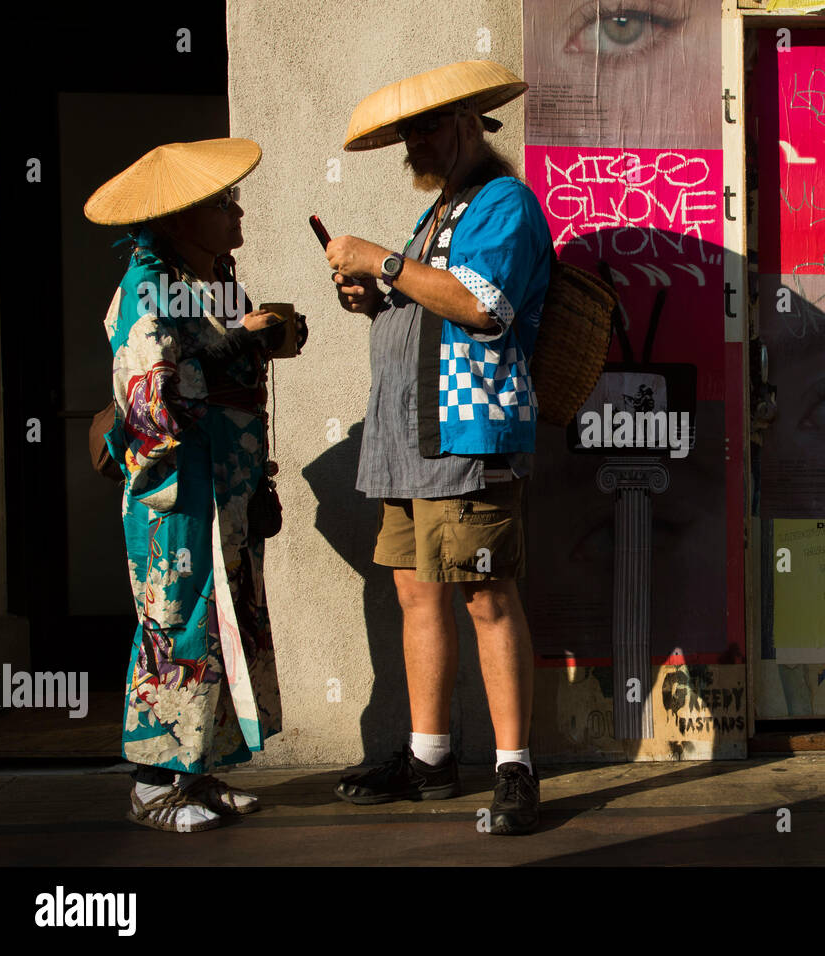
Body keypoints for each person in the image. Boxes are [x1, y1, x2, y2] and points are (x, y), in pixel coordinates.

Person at [327, 61, 552, 835]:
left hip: (465, 434)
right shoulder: (443, 212)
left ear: (467, 124)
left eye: (424, 129)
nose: (411, 144)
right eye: (405, 133)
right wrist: (377, 300)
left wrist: (384, 263)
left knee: (485, 593)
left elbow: (483, 308)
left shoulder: (503, 202)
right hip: (408, 437)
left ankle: (515, 768)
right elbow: (428, 306)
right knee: (416, 591)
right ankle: (430, 759)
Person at [85, 138, 304, 832]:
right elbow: (150, 388)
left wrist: (258, 335)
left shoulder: (214, 279)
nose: (237, 214)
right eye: (222, 204)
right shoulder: (150, 280)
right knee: (174, 620)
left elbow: (220, 351)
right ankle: (152, 786)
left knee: (222, 621)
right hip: (179, 490)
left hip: (227, 489)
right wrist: (238, 348)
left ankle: (199, 774)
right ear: (181, 218)